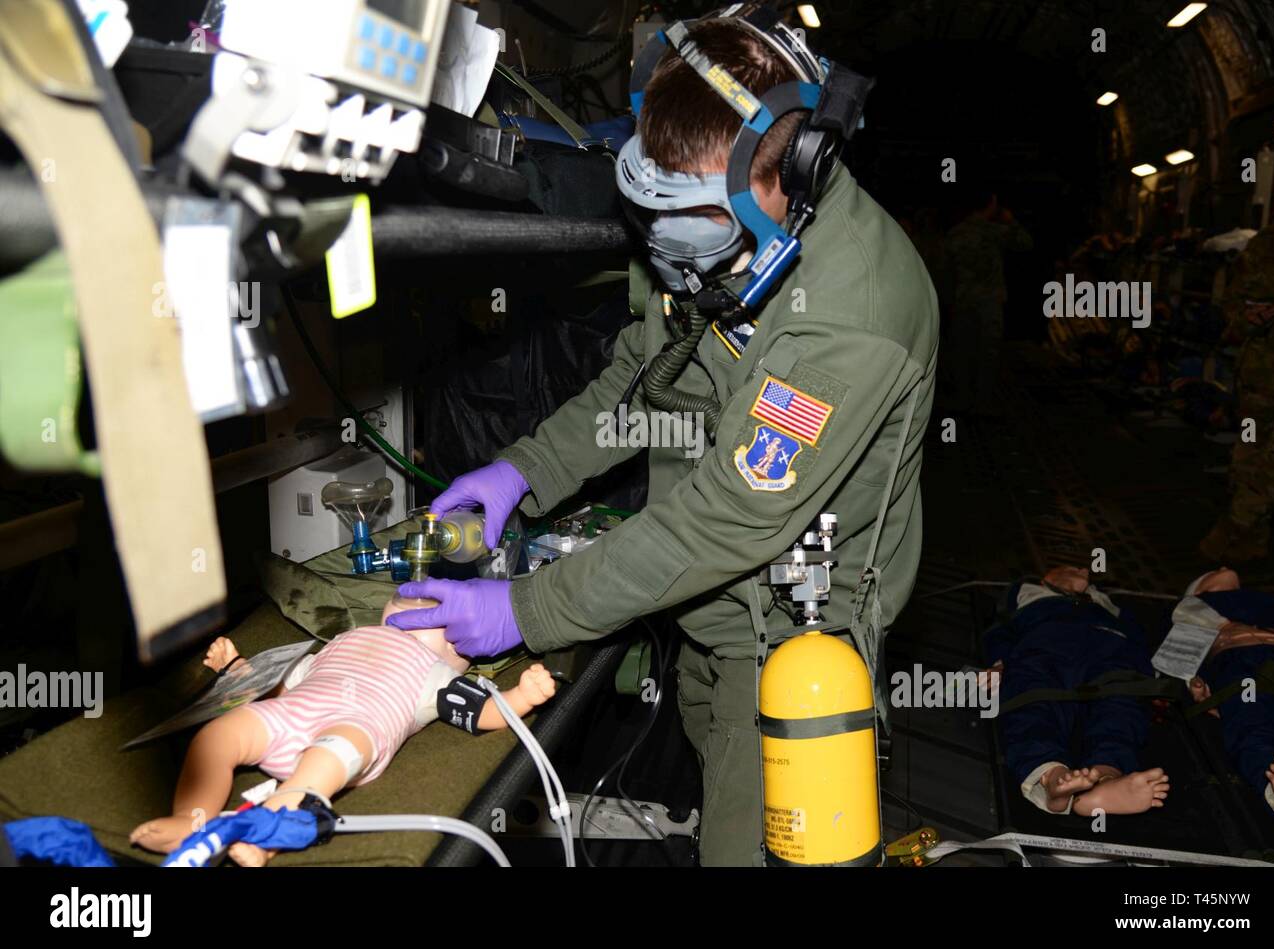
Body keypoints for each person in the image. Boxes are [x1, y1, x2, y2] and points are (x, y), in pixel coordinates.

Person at [387, 8, 938, 866]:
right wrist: (519, 473)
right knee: (703, 758)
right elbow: (640, 383)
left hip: (796, 641)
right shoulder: (720, 249)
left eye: (695, 221)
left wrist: (524, 610)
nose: (670, 249)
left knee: (746, 848)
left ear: (793, 171)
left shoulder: (849, 318)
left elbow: (725, 519)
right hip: (710, 606)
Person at [130, 591, 556, 865]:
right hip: (295, 710)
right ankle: (192, 819)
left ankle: (271, 830)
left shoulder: (435, 674)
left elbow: (486, 713)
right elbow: (280, 684)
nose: (422, 591)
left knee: (325, 759)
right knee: (218, 736)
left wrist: (522, 696)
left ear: (456, 650)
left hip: (354, 730)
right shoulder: (342, 641)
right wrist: (240, 670)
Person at [983, 566, 1170, 816]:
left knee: (1121, 704)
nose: (1084, 569)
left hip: (1111, 648)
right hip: (1046, 643)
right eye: (1073, 568)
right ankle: (1051, 777)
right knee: (1031, 695)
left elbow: (1139, 641)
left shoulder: (1109, 604)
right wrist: (999, 662)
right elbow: (999, 630)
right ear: (1047, 576)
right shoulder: (1026, 591)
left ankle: (1107, 778)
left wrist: (1153, 676)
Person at [1200, 167, 1274, 564]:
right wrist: (1248, 320)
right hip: (1259, 377)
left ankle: (1233, 531)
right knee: (1247, 456)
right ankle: (1250, 545)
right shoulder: (1261, 248)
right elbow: (1231, 307)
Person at [1179, 568, 1274, 826]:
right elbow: (1175, 660)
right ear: (1199, 592)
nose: (1224, 568)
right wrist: (1196, 690)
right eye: (1213, 573)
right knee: (1252, 726)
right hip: (1240, 664)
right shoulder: (1189, 611)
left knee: (1252, 724)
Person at [944, 188, 1032, 414]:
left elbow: (946, 271)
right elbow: (1025, 243)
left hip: (962, 300)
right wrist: (1011, 222)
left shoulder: (955, 233)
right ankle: (983, 402)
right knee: (988, 353)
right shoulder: (995, 231)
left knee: (963, 351)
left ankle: (963, 399)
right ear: (991, 204)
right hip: (989, 302)